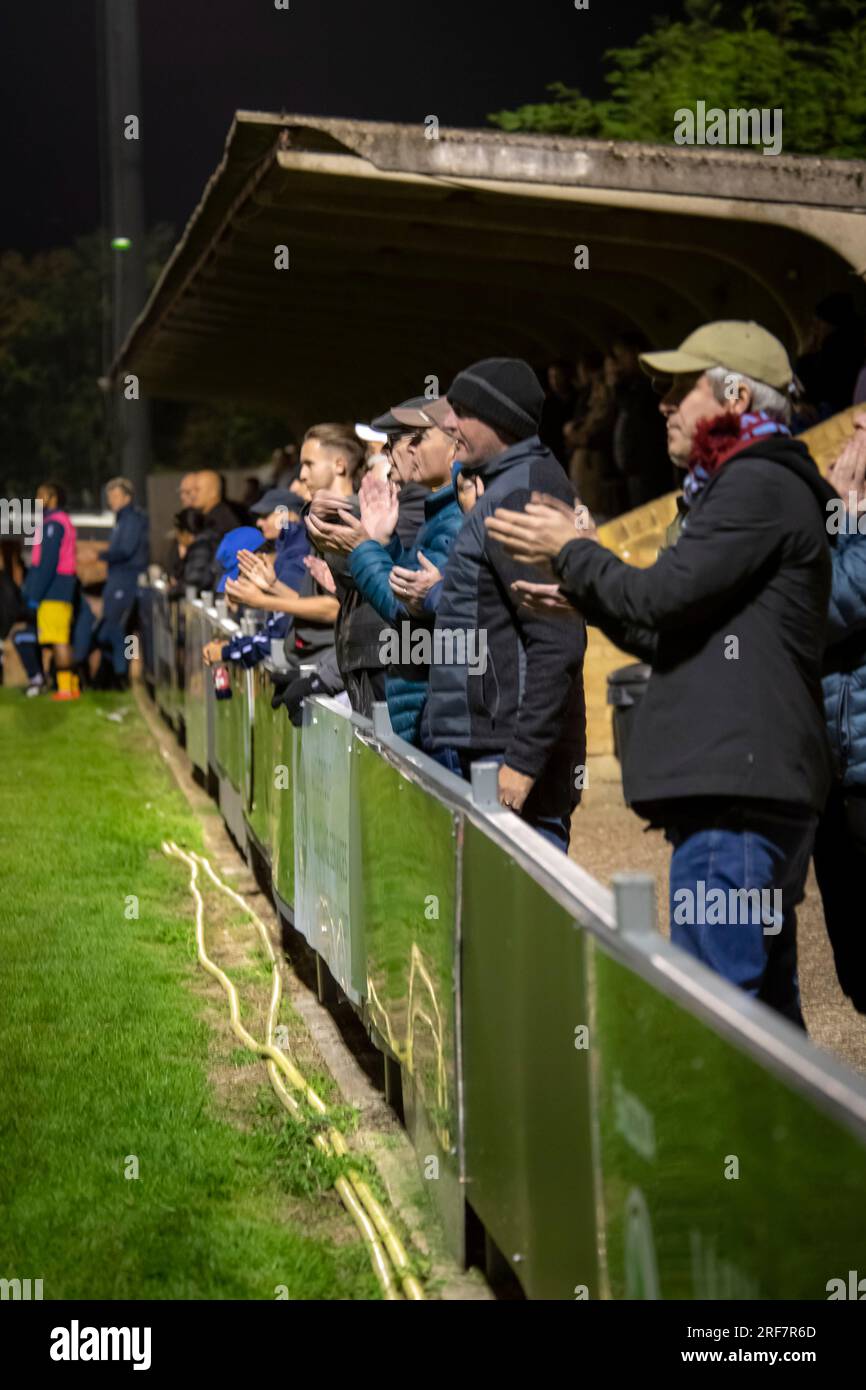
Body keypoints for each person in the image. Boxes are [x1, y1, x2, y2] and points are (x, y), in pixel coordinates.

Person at [487, 321, 836, 1026]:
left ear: (738, 394)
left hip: (736, 793)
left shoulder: (757, 482)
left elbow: (657, 598)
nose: (664, 404)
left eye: (682, 387)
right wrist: (582, 587)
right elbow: (657, 625)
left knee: (716, 1016)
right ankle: (769, 1139)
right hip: (738, 785)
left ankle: (718, 1141)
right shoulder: (745, 483)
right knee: (763, 1019)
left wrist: (579, 552)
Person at [418, 357, 587, 850]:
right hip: (490, 746)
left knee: (525, 920)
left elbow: (558, 639)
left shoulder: (521, 496)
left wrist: (523, 762)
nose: (449, 424)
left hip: (510, 759)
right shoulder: (508, 486)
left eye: (463, 412)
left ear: (501, 420)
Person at [346, 405, 462, 743]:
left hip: (438, 712)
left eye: (400, 439)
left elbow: (406, 607)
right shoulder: (440, 511)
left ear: (455, 445)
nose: (388, 452)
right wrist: (384, 544)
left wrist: (362, 547)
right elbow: (408, 588)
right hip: (423, 707)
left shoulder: (455, 518)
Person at [814, 415, 866, 1013]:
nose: (849, 430)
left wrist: (847, 517)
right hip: (835, 772)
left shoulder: (852, 519)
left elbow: (826, 604)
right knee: (854, 965)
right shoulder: (844, 517)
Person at [22, 482, 80, 701]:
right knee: (59, 637)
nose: (37, 500)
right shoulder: (55, 521)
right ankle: (71, 686)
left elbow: (47, 563)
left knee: (58, 639)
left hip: (54, 589)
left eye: (40, 495)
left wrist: (35, 594)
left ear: (52, 497)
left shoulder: (53, 524)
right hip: (60, 587)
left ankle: (65, 689)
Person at [93, 477, 149, 690]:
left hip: (126, 582)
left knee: (119, 631)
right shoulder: (121, 520)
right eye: (109, 497)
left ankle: (121, 674)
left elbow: (125, 550)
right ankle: (113, 673)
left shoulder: (132, 520)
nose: (111, 501)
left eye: (115, 496)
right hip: (117, 580)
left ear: (127, 497)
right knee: (115, 631)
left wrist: (100, 555)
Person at [610, 331, 674, 507]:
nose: (620, 364)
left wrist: (617, 385)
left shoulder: (652, 385)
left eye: (622, 356)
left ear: (636, 352)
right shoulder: (633, 386)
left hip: (651, 470)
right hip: (636, 471)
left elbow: (636, 414)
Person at [539, 358, 578, 467]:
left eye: (558, 376)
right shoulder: (546, 405)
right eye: (551, 377)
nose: (554, 381)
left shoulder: (580, 400)